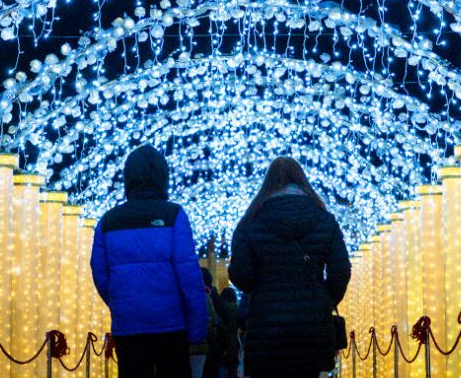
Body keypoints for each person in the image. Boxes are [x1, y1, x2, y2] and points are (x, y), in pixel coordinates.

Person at [90, 145, 208, 377]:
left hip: (129, 326)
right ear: (162, 176)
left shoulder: (109, 221)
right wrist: (197, 330)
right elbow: (190, 276)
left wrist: (121, 302)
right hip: (172, 326)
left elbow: (100, 273)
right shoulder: (174, 215)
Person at [228, 157, 351, 378]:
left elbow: (241, 276)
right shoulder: (324, 219)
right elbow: (341, 270)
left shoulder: (250, 222)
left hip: (266, 330)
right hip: (312, 328)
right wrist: (324, 300)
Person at [218, 287, 241, 378]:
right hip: (233, 343)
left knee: (221, 368)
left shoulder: (219, 308)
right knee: (233, 369)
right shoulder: (236, 309)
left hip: (221, 343)